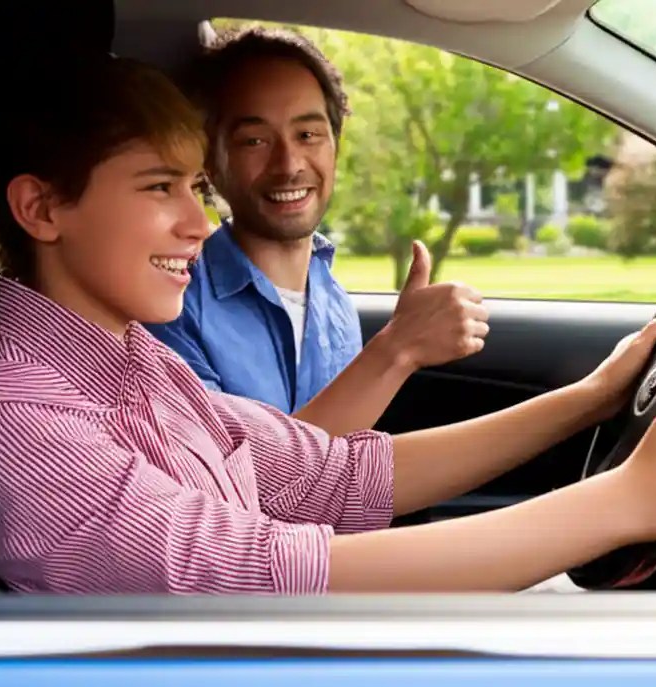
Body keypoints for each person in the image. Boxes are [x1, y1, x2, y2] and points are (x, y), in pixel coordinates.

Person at [0, 54, 656, 595]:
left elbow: (335, 477)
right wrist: (624, 503)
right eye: (161, 189)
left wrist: (590, 399)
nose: (197, 223)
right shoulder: (22, 418)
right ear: (42, 207)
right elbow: (284, 576)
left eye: (196, 188)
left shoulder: (132, 367)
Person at [147, 26, 483, 436]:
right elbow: (238, 482)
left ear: (335, 147)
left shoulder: (332, 298)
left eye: (308, 135)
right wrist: (396, 350)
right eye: (254, 141)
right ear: (211, 163)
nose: (289, 164)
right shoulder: (170, 308)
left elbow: (350, 471)